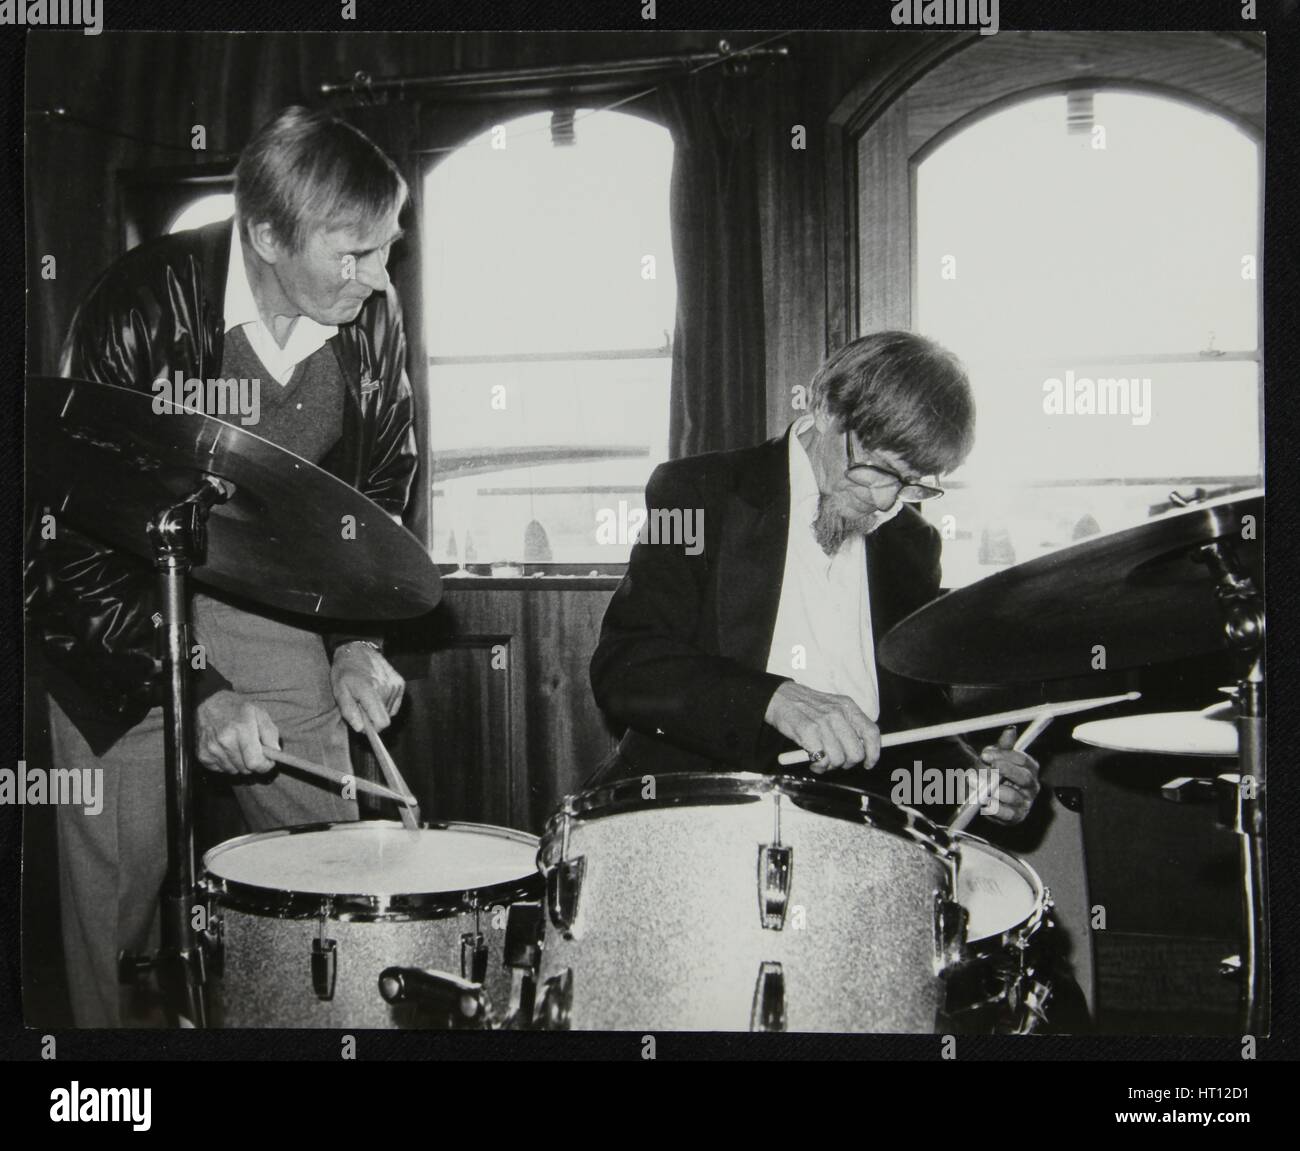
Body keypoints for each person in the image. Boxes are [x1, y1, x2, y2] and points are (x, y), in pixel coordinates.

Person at [29, 106, 416, 1026]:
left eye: (388, 248)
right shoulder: (136, 302)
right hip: (116, 595)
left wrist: (356, 639)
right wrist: (194, 694)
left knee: (333, 874)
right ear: (267, 236)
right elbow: (69, 541)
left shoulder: (372, 314)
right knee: (119, 924)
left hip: (266, 597)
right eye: (353, 254)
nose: (379, 277)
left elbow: (377, 495)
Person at [589, 330, 1041, 824]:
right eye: (877, 468)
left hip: (844, 824)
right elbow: (626, 666)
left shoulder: (912, 544)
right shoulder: (696, 494)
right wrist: (773, 699)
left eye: (911, 484)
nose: (884, 501)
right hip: (692, 809)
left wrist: (970, 785)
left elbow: (913, 723)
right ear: (826, 409)